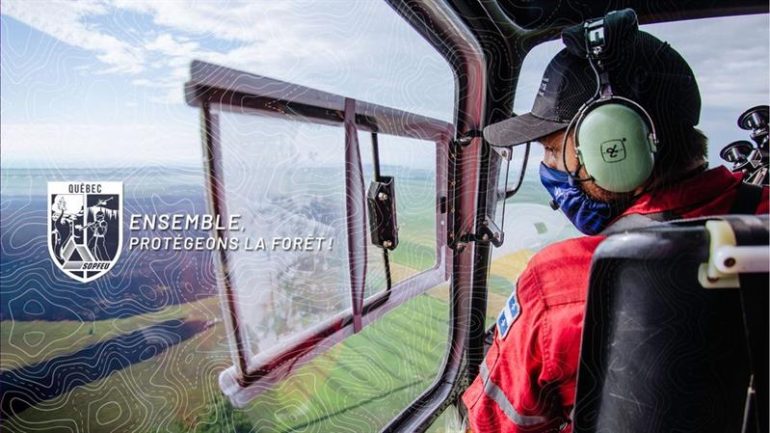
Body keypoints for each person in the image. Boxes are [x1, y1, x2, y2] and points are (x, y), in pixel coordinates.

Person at [461, 11, 769, 433]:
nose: (548, 170)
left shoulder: (557, 285)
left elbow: (489, 426)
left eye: (552, 150)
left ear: (614, 145)